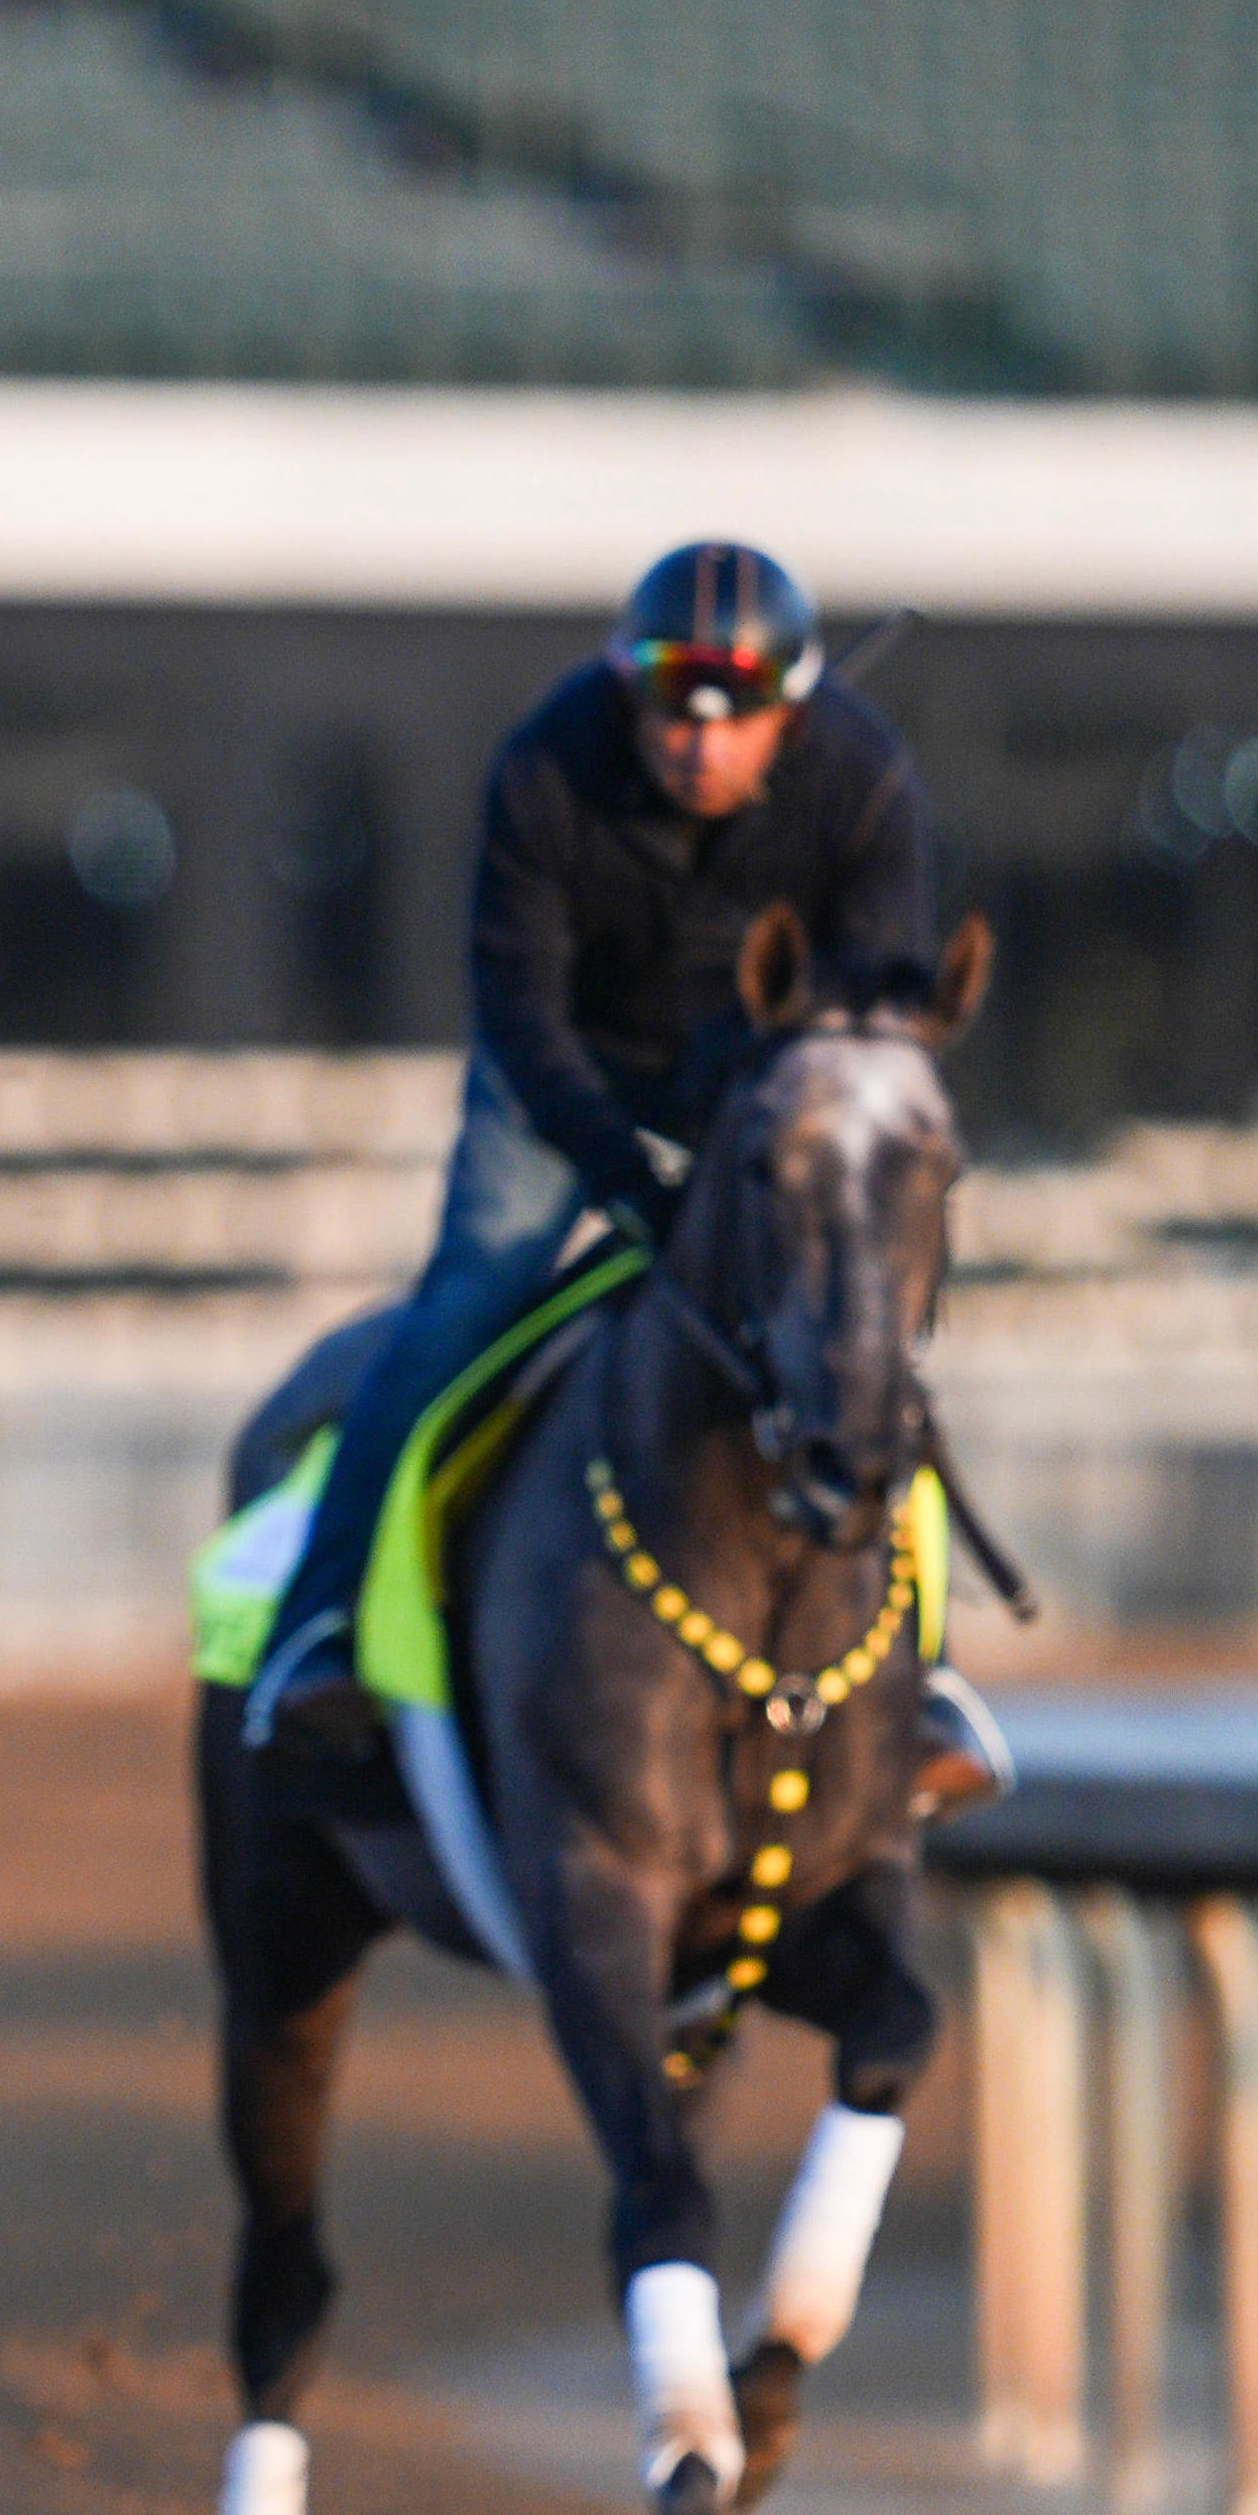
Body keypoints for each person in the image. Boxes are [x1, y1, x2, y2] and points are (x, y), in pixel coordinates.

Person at [244, 541, 1009, 1812]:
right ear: (627, 692)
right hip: (564, 1084)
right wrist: (627, 1182)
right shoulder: (545, 766)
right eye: (670, 713)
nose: (698, 747)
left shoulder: (864, 776)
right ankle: (314, 1630)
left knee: (862, 1348)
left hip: (756, 1082)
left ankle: (924, 1678)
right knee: (466, 1307)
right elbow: (521, 1014)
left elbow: (868, 1018)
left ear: (789, 711)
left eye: (733, 718)